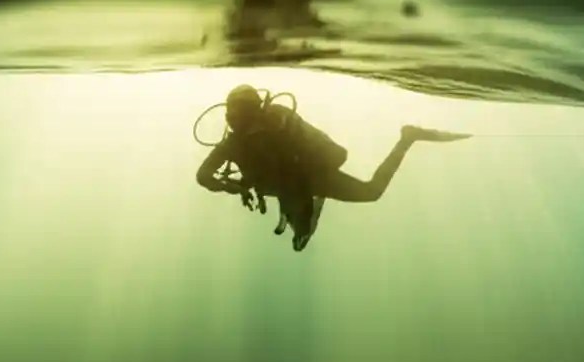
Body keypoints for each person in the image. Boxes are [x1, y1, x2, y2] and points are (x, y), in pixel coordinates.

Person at [195, 84, 469, 250]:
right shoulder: (231, 144)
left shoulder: (281, 125)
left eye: (240, 113)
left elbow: (302, 156)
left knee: (370, 193)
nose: (234, 120)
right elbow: (203, 175)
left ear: (256, 110)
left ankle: (408, 138)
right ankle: (303, 218)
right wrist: (226, 185)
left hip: (311, 178)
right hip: (287, 186)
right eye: (231, 114)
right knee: (300, 230)